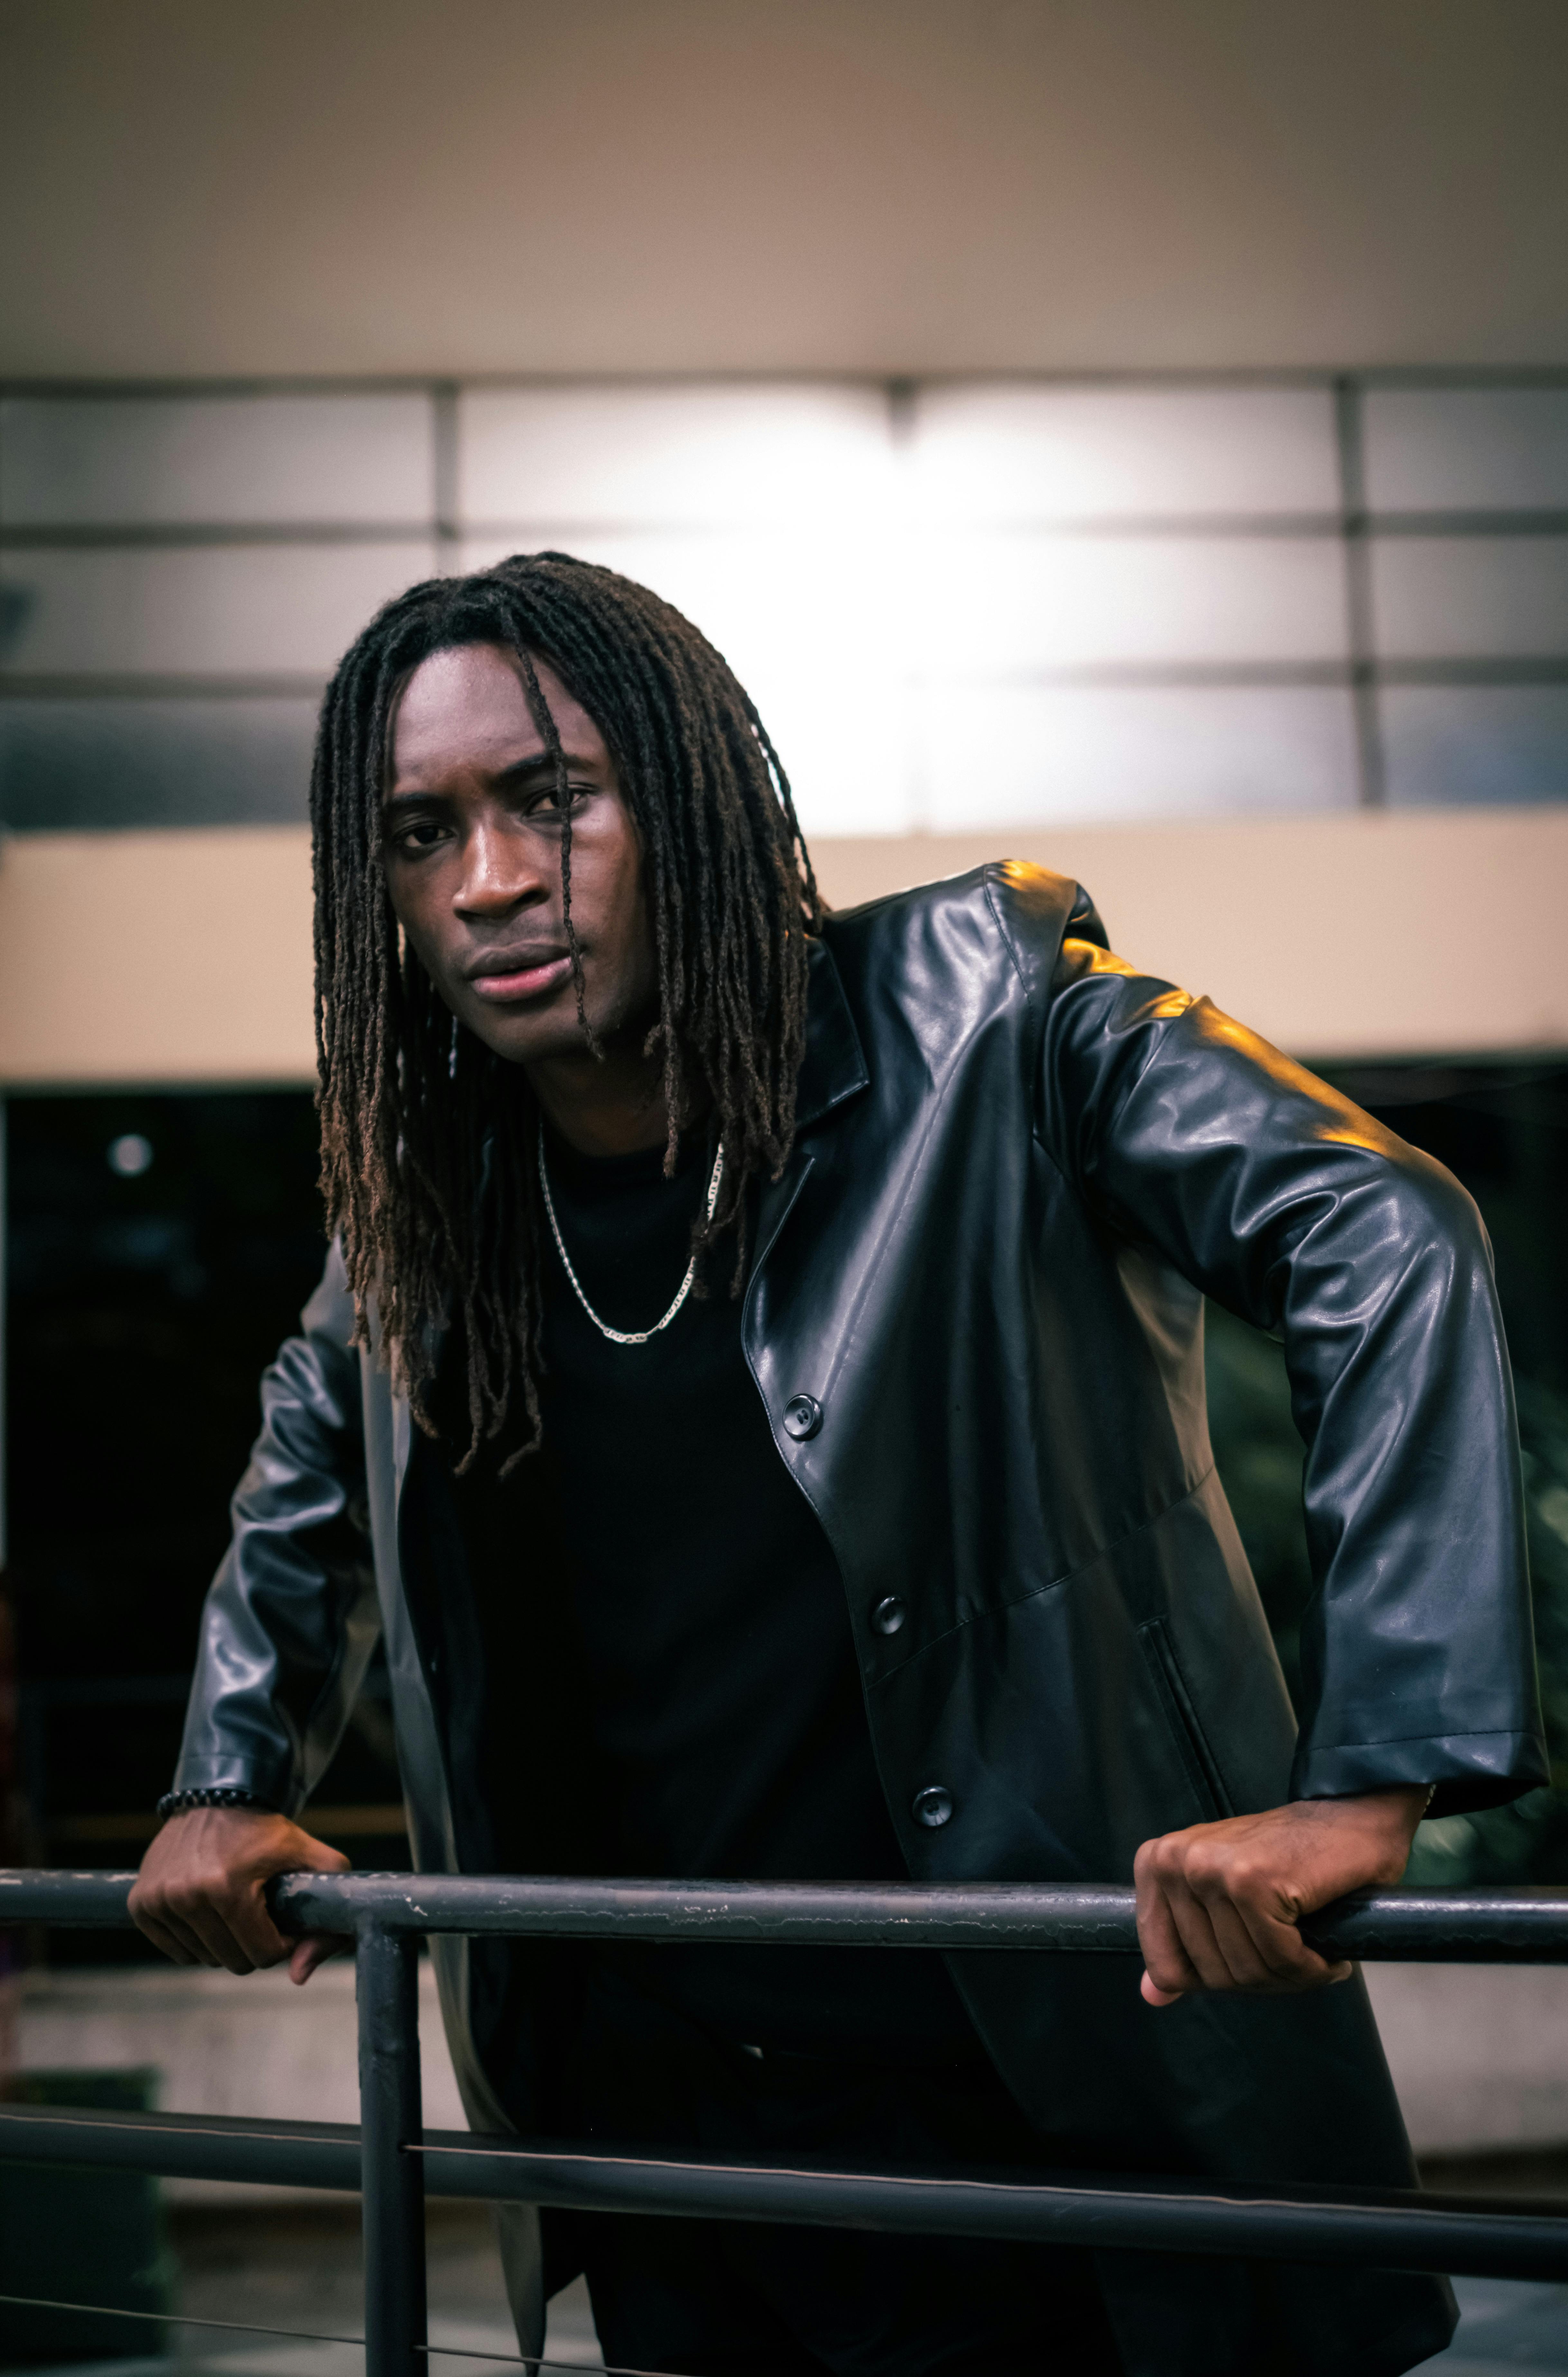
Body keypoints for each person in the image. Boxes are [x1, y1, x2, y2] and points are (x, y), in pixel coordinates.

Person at [130, 553, 1544, 2377]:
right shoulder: (431, 1210)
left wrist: (1377, 1774)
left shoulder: (985, 1011)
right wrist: (224, 1778)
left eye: (551, 801)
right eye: (417, 836)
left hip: (1055, 2117)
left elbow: (1381, 1229)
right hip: (668, 2148)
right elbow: (306, 1474)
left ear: (696, 794)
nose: (485, 882)